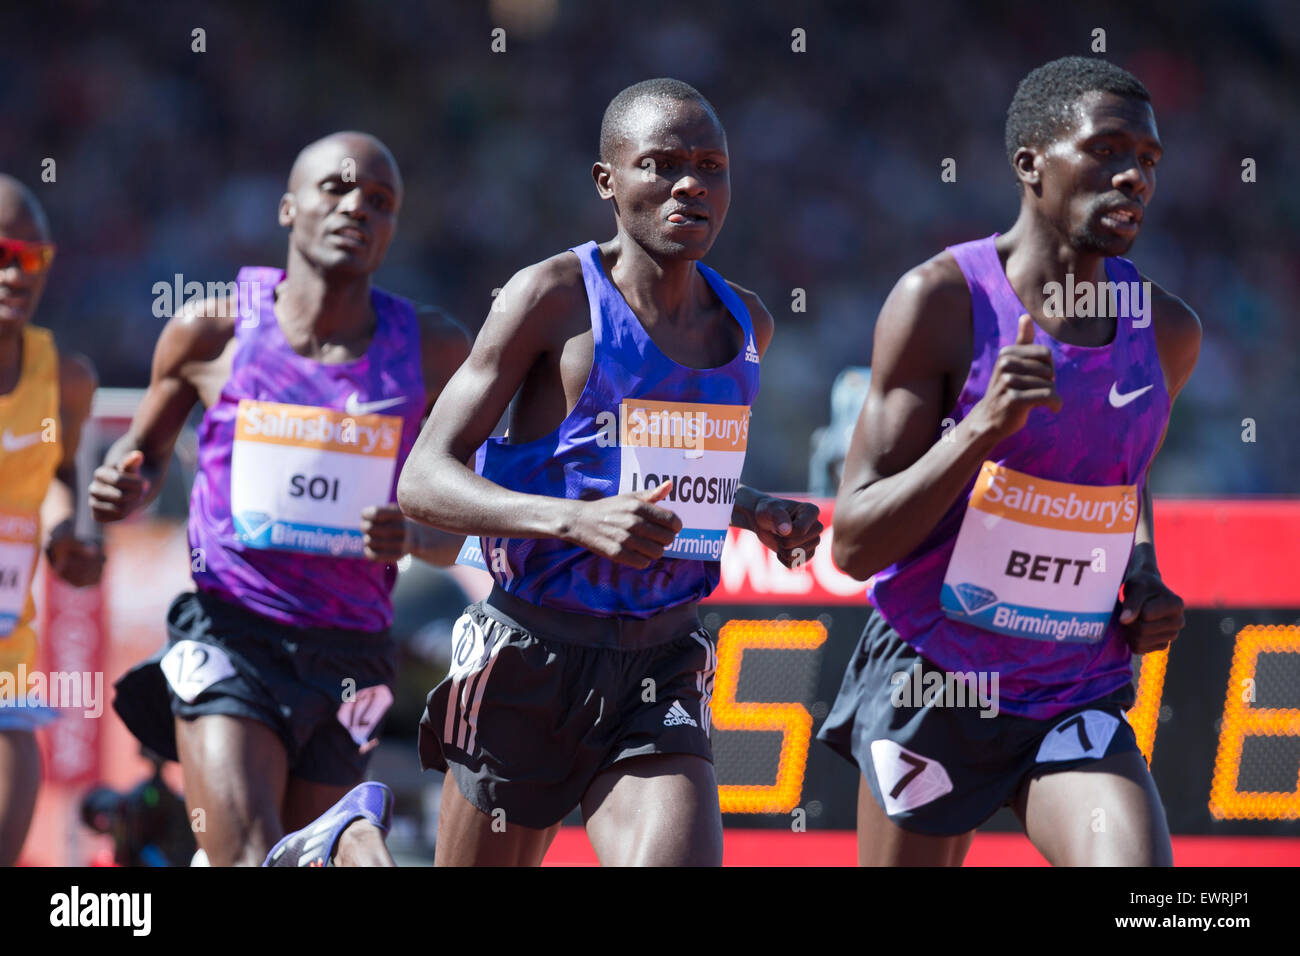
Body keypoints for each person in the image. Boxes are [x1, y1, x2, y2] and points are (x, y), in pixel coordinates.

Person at [272, 78, 822, 868]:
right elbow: (424, 478)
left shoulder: (745, 324)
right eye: (661, 165)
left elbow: (666, 478)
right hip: (532, 653)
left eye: (710, 167)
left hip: (661, 662)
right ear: (608, 182)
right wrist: (574, 522)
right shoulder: (552, 298)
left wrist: (756, 508)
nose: (690, 185)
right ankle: (352, 843)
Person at [819, 56, 1201, 866]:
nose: (1134, 176)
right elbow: (852, 544)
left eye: (1148, 159)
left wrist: (1141, 569)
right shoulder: (939, 303)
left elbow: (1122, 477)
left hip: (1074, 687)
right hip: (934, 676)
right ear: (1031, 163)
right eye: (1107, 150)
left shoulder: (1166, 330)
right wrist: (980, 429)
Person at [92, 132, 469, 866]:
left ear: (392, 228)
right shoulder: (210, 332)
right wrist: (120, 484)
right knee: (247, 855)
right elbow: (140, 454)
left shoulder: (433, 350)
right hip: (231, 631)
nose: (356, 207)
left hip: (353, 653)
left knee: (305, 858)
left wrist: (412, 537)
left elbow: (456, 527)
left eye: (380, 201)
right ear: (288, 207)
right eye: (336, 189)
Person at [0, 174, 102, 864]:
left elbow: (65, 474)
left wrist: (73, 532)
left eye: (33, 257)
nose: (17, 272)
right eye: (3, 254)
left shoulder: (65, 379)